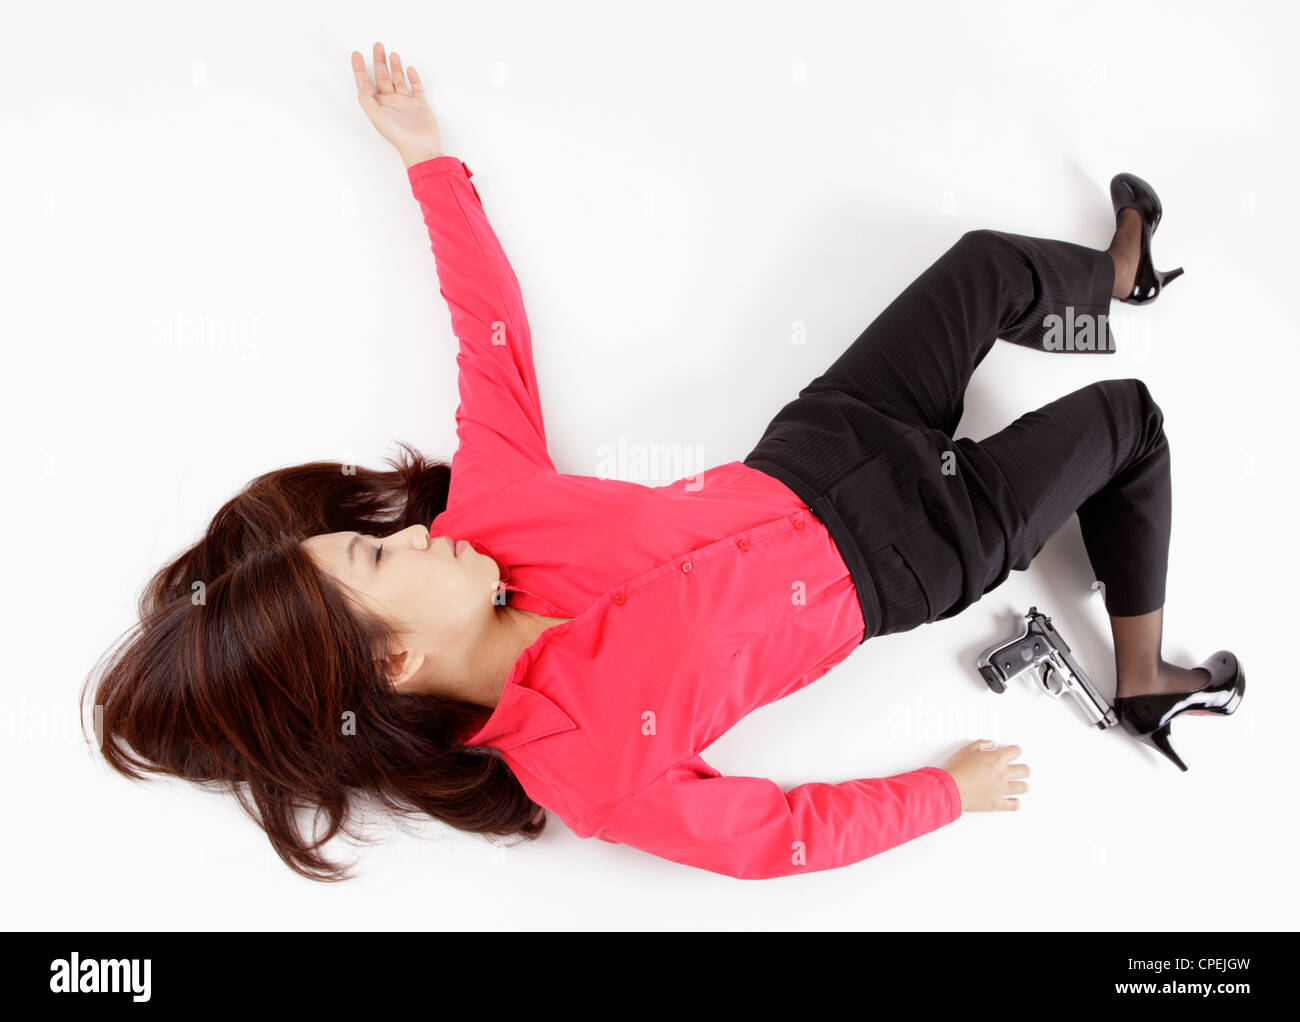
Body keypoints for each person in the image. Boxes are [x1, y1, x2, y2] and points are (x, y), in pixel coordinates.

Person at [81, 42, 1243, 882]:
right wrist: (951, 792)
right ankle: (1140, 675)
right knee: (1129, 422)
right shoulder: (586, 771)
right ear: (393, 656)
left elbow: (489, 336)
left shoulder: (494, 509)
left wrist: (426, 162)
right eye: (379, 551)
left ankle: (1113, 285)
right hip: (910, 554)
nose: (413, 526)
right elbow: (776, 836)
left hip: (822, 439)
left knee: (987, 266)